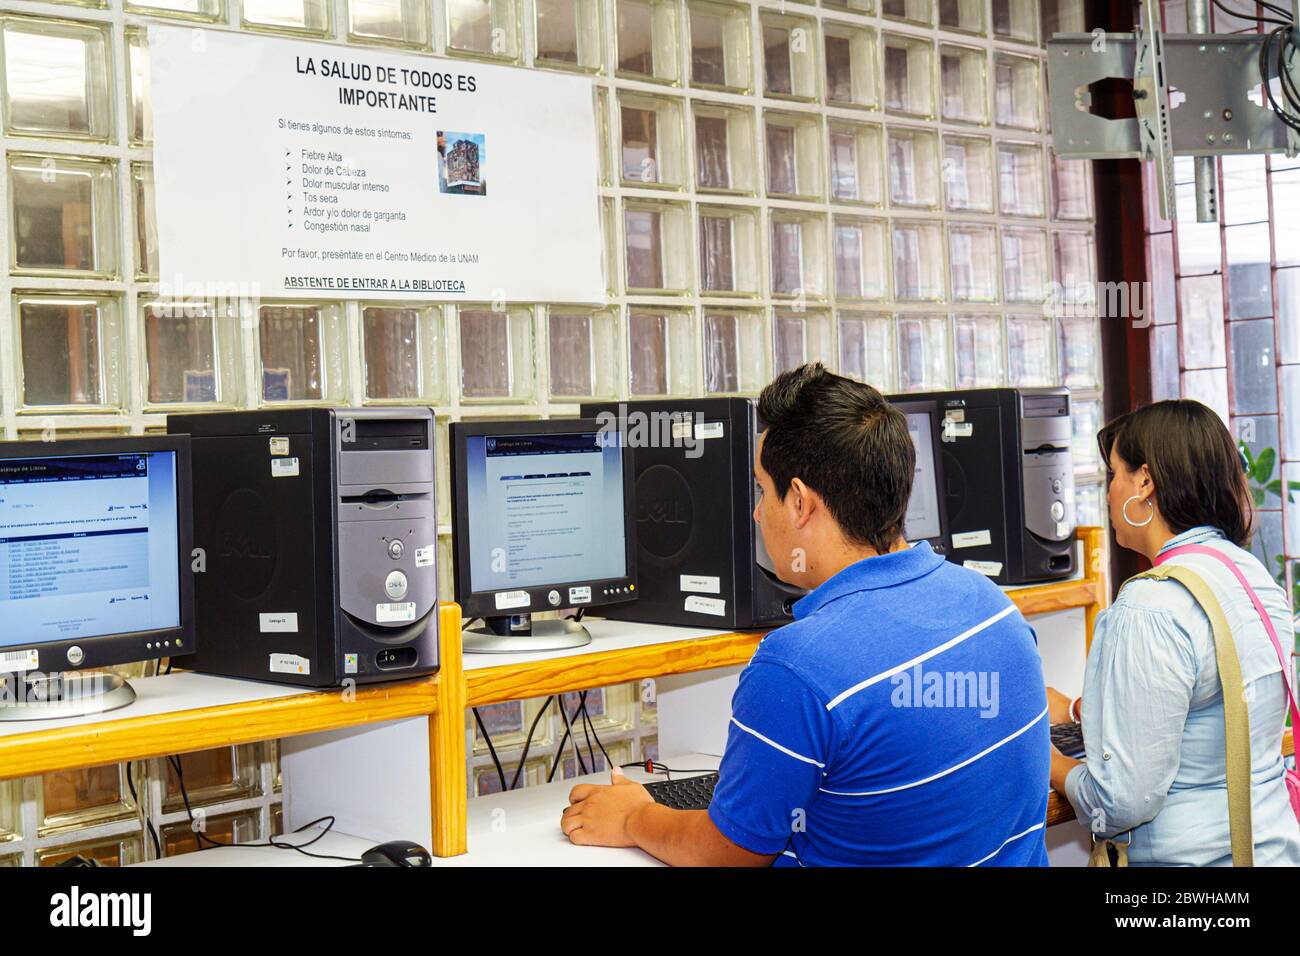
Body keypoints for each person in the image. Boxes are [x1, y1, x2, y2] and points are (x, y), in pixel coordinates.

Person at [561, 363, 1051, 865]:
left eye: (761, 490)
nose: (756, 513)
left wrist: (631, 817)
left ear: (799, 502)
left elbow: (729, 854)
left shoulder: (797, 666)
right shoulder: (996, 609)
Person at [1048, 399, 1300, 865]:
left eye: (1114, 475)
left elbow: (1119, 803)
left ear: (1144, 483)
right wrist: (1086, 712)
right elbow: (1216, 709)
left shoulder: (1148, 607)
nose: (1107, 494)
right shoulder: (1251, 575)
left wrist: (1052, 762)